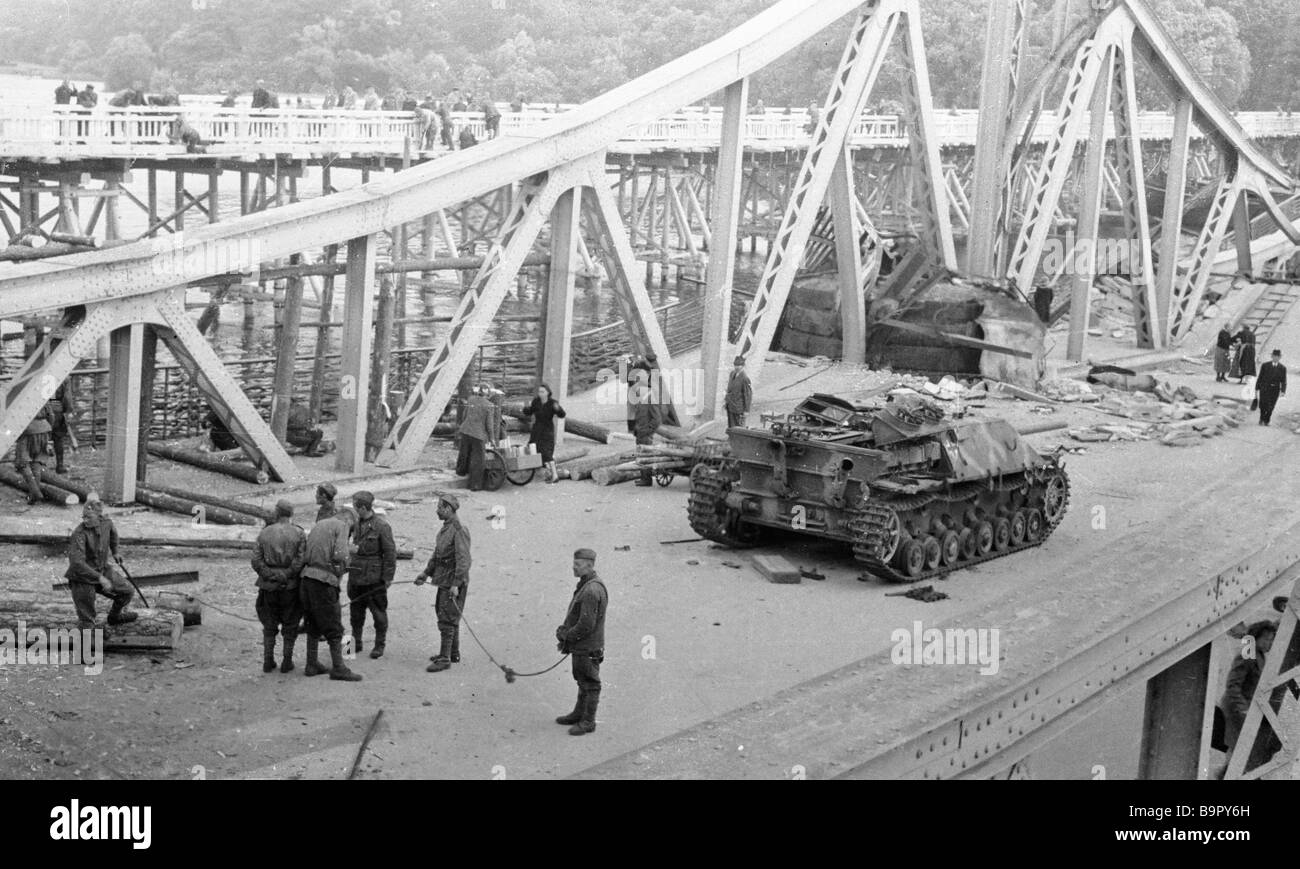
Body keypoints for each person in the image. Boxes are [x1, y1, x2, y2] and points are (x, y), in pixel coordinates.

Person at [299, 506, 362, 681]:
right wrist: (349, 556)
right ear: (349, 519)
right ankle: (339, 667)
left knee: (313, 623)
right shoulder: (342, 525)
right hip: (324, 582)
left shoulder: (320, 524)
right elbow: (340, 554)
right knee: (334, 626)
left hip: (307, 579)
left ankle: (312, 664)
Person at [65, 500, 137, 649]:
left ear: (99, 516)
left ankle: (114, 617)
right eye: (83, 517)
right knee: (87, 618)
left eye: (88, 517)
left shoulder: (107, 523)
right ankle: (84, 653)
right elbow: (77, 563)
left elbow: (113, 535)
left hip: (102, 570)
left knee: (127, 591)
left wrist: (115, 551)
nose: (85, 520)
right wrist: (100, 578)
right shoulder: (79, 533)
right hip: (81, 578)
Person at [415, 494, 471, 672]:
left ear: (448, 509)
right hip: (444, 579)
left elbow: (464, 560)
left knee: (447, 618)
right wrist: (426, 573)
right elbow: (437, 555)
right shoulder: (447, 528)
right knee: (448, 615)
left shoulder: (459, 529)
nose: (437, 510)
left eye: (439, 507)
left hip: (453, 582)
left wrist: (456, 584)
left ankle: (445, 658)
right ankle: (453, 653)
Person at [554, 548, 608, 736]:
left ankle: (588, 721)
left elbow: (586, 625)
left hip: (587, 646)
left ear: (589, 565)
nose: (573, 567)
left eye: (577, 564)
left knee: (590, 682)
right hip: (584, 645)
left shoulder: (591, 590)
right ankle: (579, 713)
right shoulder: (588, 584)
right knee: (582, 680)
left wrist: (566, 635)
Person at [252, 500, 306, 673]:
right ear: (291, 514)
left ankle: (268, 660)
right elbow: (301, 559)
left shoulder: (265, 532)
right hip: (290, 586)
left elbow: (256, 560)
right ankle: (287, 662)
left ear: (277, 513)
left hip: (268, 586)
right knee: (291, 624)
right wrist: (286, 574)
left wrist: (270, 575)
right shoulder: (299, 533)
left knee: (269, 624)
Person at [347, 491, 396, 660]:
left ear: (363, 507)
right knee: (355, 614)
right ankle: (354, 643)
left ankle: (379, 645)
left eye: (355, 506)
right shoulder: (355, 524)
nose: (354, 509)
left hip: (374, 578)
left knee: (378, 614)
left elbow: (390, 553)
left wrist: (388, 577)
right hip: (356, 576)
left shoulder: (382, 526)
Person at [522, 383, 567, 482]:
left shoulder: (552, 403)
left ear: (548, 393)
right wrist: (525, 409)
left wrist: (558, 409)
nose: (540, 393)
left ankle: (555, 475)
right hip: (537, 430)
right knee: (533, 449)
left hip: (547, 430)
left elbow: (562, 415)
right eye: (539, 392)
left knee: (547, 452)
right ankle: (545, 473)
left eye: (542, 392)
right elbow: (530, 411)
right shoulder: (536, 401)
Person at [456, 386, 495, 491]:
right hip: (478, 434)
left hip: (466, 430)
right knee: (478, 460)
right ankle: (475, 485)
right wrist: (492, 439)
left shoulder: (471, 399)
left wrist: (464, 426)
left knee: (464, 452)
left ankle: (460, 472)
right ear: (488, 395)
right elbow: (489, 425)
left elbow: (464, 415)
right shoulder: (489, 405)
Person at [14, 405, 53, 503]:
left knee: (22, 463)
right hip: (44, 430)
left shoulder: (21, 399)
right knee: (36, 462)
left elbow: (15, 417)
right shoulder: (43, 397)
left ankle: (35, 492)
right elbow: (51, 415)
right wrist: (48, 429)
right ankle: (33, 496)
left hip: (27, 431)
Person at [630, 368, 662, 487]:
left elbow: (657, 420)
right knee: (641, 455)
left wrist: (647, 431)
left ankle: (647, 479)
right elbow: (639, 416)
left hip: (646, 434)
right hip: (640, 433)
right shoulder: (641, 397)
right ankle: (644, 477)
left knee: (646, 456)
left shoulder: (650, 397)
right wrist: (636, 430)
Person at [1255, 348, 1287, 426]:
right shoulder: (1265, 365)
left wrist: (1283, 391)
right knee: (1263, 404)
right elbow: (1260, 377)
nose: (1275, 358)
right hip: (1264, 388)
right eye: (1274, 356)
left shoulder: (1282, 368)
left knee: (1271, 405)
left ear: (1280, 357)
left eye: (1277, 356)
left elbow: (1284, 380)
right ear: (1271, 356)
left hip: (1275, 389)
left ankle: (1267, 420)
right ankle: (1261, 418)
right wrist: (1257, 387)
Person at [47, 380, 73, 475]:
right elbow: (67, 397)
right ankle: (60, 466)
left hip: (43, 409)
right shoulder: (64, 378)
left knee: (43, 437)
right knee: (58, 438)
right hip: (57, 409)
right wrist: (68, 410)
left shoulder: (42, 375)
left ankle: (40, 466)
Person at [725, 355, 753, 428]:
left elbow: (748, 395)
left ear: (743, 366)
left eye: (739, 365)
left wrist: (746, 410)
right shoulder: (732, 374)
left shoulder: (745, 378)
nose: (736, 367)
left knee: (738, 427)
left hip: (738, 408)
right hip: (730, 405)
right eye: (735, 365)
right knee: (731, 425)